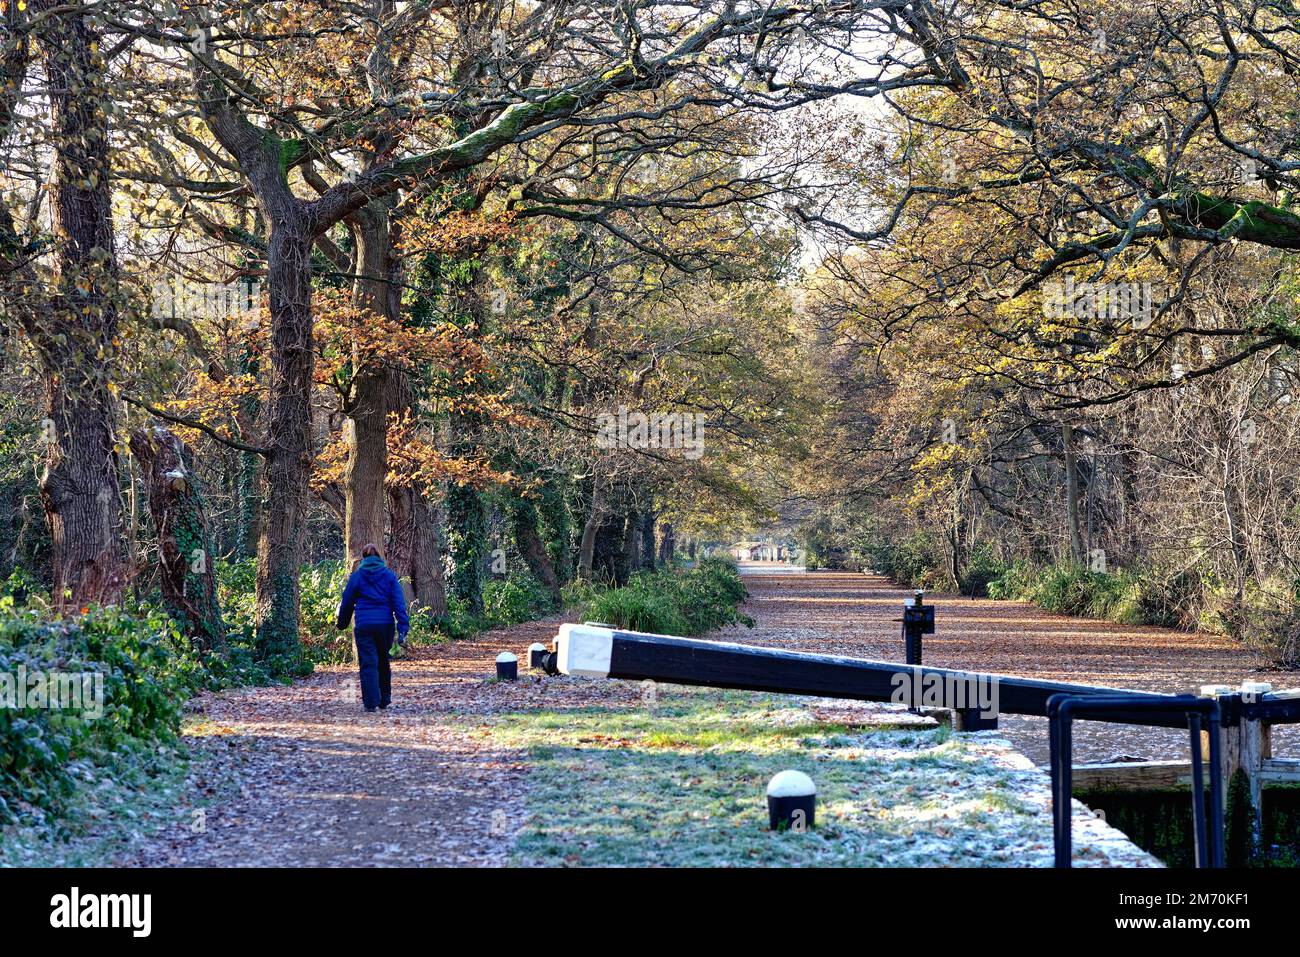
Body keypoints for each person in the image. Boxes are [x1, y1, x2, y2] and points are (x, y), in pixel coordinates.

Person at [336, 543, 409, 712]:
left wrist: (342, 624)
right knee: (383, 660)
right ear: (379, 557)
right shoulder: (389, 576)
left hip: (364, 625)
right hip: (385, 626)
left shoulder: (357, 577)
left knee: (368, 662)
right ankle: (384, 699)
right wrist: (403, 627)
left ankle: (371, 702)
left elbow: (346, 601)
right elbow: (399, 604)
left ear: (364, 558)